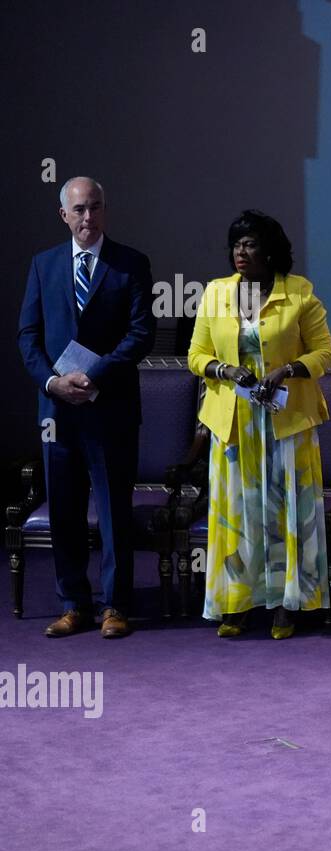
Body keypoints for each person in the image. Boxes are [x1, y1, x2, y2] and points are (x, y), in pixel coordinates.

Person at [187, 211, 331, 639]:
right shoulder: (215, 294)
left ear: (270, 250)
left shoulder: (299, 292)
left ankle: (287, 604)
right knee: (238, 513)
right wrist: (226, 371)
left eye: (250, 244)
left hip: (286, 421)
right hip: (234, 423)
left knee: (286, 511)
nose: (240, 252)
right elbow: (195, 355)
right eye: (236, 244)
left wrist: (287, 369)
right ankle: (235, 603)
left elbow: (324, 353)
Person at [18, 177, 155, 639]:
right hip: (58, 413)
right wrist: (55, 382)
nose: (87, 217)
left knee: (115, 510)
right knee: (65, 510)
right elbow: (28, 337)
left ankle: (116, 606)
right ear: (64, 215)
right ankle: (74, 604)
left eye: (95, 208)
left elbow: (140, 334)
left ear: (105, 210)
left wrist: (93, 376)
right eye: (78, 210)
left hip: (110, 408)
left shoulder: (131, 264)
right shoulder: (43, 265)